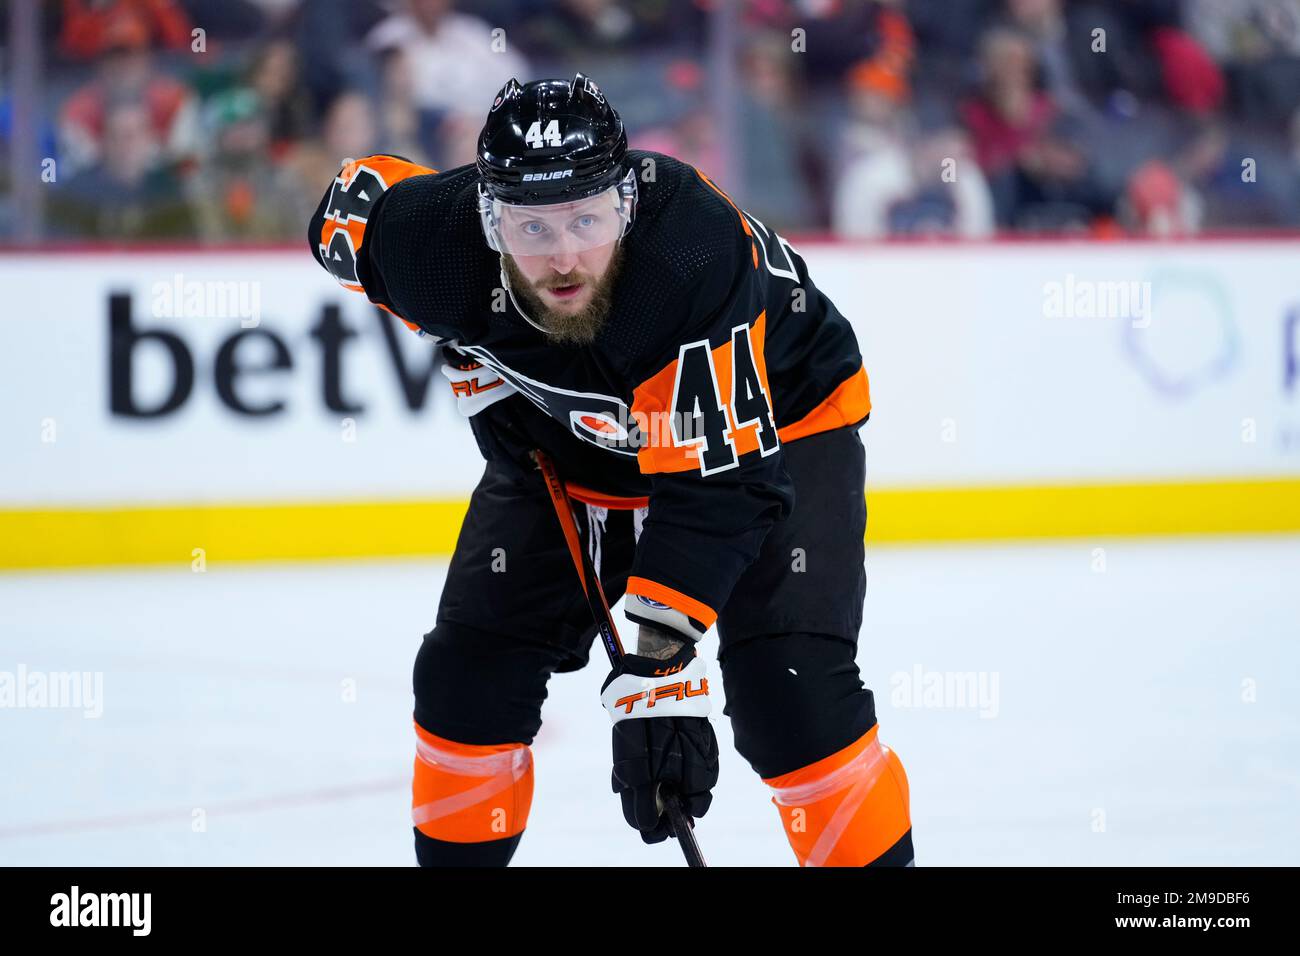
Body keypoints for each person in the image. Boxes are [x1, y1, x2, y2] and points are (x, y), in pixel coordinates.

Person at [307, 74, 914, 867]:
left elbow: (720, 489)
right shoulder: (428, 246)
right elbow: (348, 209)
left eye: (587, 220)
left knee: (792, 698)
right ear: (489, 222)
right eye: (532, 228)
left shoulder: (686, 259)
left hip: (779, 422)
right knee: (467, 680)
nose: (563, 258)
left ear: (627, 202)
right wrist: (480, 368)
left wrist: (660, 672)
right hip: (578, 441)